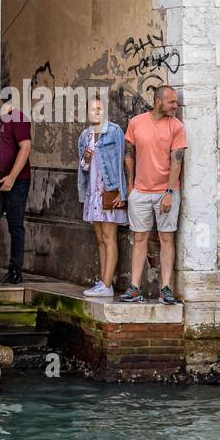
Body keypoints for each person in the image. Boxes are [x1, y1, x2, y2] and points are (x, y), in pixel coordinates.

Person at [121, 85, 186, 304]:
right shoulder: (136, 123)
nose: (176, 106)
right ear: (159, 102)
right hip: (140, 192)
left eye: (176, 102)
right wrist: (131, 187)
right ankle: (135, 288)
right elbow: (128, 153)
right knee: (140, 238)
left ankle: (166, 288)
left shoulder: (176, 127)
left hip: (166, 192)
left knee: (166, 238)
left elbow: (177, 161)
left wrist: (169, 192)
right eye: (172, 102)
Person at [77, 97, 127, 298]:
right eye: (92, 109)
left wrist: (122, 193)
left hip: (110, 192)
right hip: (93, 192)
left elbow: (123, 162)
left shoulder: (114, 131)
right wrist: (86, 159)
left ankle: (107, 284)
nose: (96, 112)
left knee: (109, 237)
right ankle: (103, 282)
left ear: (104, 110)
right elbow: (83, 167)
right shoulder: (85, 135)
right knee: (99, 239)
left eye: (99, 108)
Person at [0, 96, 33, 285]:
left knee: (15, 226)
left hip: (17, 181)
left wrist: (11, 177)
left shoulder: (16, 117)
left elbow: (25, 147)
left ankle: (15, 270)